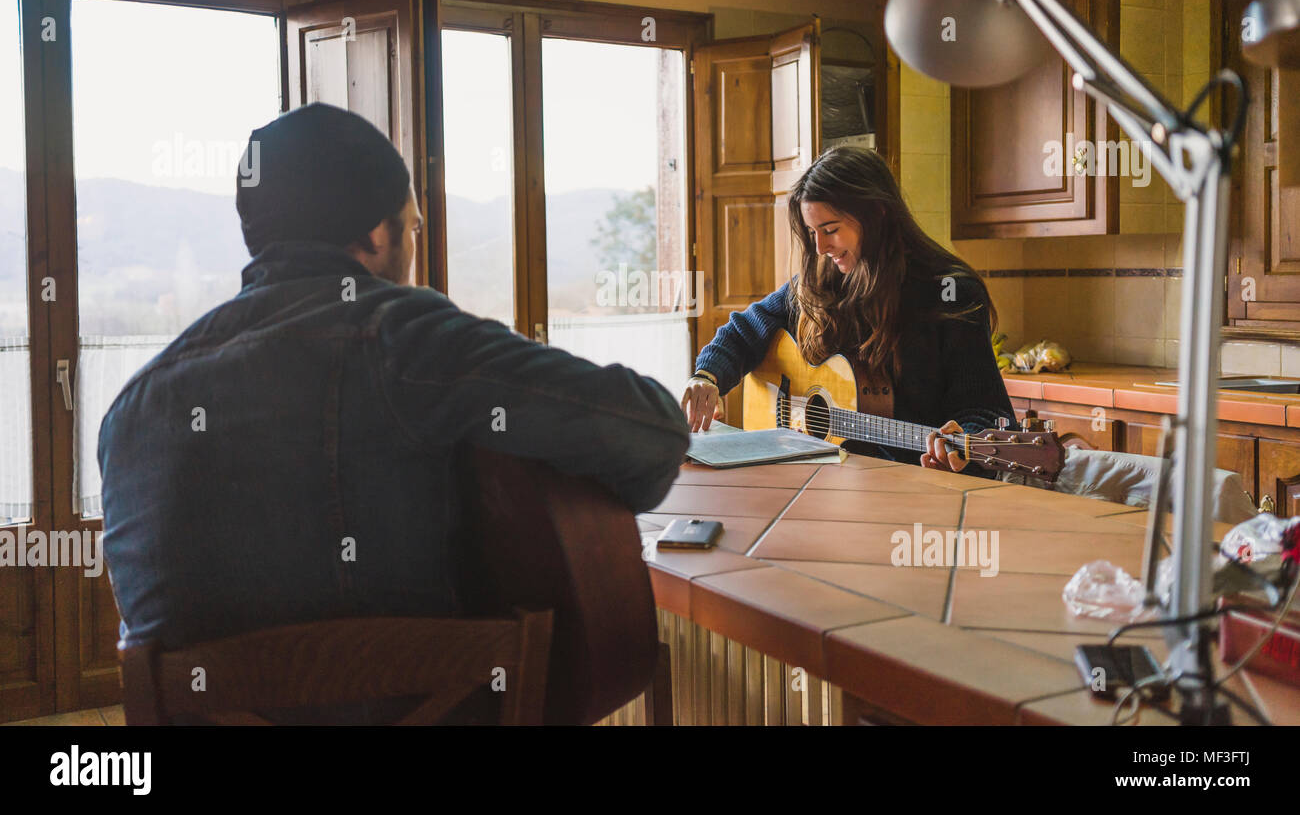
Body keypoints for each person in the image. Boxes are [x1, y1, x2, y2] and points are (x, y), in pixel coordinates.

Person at [100, 103, 688, 720]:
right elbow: (649, 432)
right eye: (412, 227)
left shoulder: (130, 414)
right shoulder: (401, 335)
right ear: (378, 234)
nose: (411, 246)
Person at [680, 146, 1015, 474]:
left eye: (831, 230)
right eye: (812, 233)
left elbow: (987, 413)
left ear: (878, 213)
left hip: (917, 491)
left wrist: (960, 448)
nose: (820, 248)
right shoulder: (819, 282)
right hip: (832, 486)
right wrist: (706, 376)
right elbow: (745, 329)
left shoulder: (951, 293)